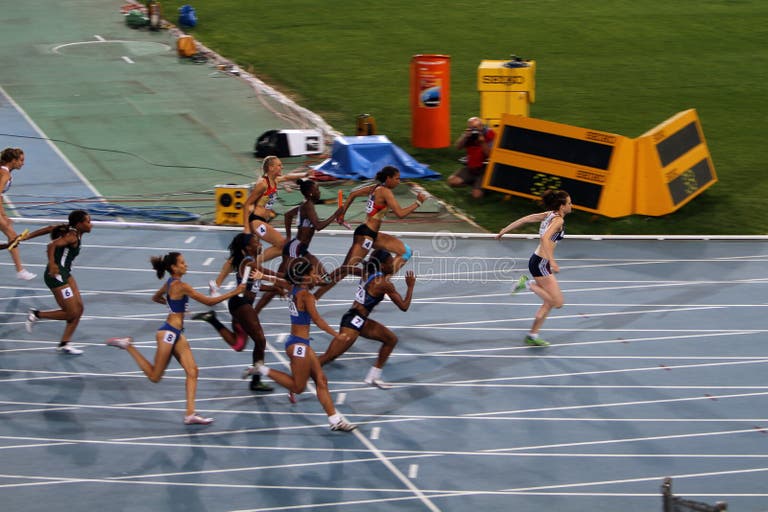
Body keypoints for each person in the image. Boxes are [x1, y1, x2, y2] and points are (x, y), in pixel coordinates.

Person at [105, 252, 246, 425]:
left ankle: (190, 414)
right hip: (168, 333)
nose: (186, 265)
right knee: (155, 377)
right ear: (174, 267)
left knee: (193, 371)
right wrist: (235, 291)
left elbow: (156, 297)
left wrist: (174, 307)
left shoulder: (169, 283)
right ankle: (128, 345)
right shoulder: (181, 286)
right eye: (182, 263)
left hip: (176, 333)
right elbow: (209, 302)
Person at [243, 257, 356, 432]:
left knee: (321, 380)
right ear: (304, 277)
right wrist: (337, 335)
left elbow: (280, 280)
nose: (317, 275)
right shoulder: (306, 296)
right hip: (299, 347)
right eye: (313, 273)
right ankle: (261, 369)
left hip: (300, 344)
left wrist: (262, 275)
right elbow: (317, 320)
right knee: (298, 387)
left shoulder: (293, 288)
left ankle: (335, 420)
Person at [193, 233, 287, 392]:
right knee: (260, 340)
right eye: (256, 242)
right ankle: (256, 379)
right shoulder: (249, 262)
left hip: (239, 305)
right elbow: (270, 275)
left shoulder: (249, 262)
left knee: (239, 344)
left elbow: (255, 286)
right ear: (247, 248)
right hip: (242, 305)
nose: (260, 244)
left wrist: (274, 289)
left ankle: (212, 319)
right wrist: (288, 277)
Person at [315, 166, 426, 299]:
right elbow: (400, 214)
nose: (399, 181)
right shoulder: (385, 191)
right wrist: (418, 203)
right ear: (388, 178)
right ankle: (316, 294)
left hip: (372, 234)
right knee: (346, 269)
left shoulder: (375, 188)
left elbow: (353, 194)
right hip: (366, 235)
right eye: (397, 179)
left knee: (405, 251)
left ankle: (381, 283)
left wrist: (342, 214)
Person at [320, 249, 415, 389]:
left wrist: (325, 280)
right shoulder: (383, 284)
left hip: (359, 319)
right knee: (328, 357)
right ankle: (297, 379)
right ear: (382, 265)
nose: (392, 266)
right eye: (390, 263)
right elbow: (404, 306)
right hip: (352, 323)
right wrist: (410, 286)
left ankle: (373, 376)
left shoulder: (367, 273)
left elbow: (344, 268)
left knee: (391, 339)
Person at [495, 189, 573, 346]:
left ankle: (532, 335)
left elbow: (525, 219)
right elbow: (545, 238)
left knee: (548, 303)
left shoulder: (549, 215)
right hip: (541, 264)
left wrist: (504, 230)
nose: (572, 205)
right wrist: (552, 261)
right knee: (557, 303)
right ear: (562, 206)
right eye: (569, 203)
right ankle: (527, 284)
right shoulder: (558, 221)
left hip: (537, 261)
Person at [252, 178, 341, 314]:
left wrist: (288, 237)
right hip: (294, 249)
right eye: (317, 189)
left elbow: (288, 215)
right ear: (310, 193)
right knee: (281, 282)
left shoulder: (305, 205)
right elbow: (318, 226)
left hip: (300, 249)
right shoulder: (308, 206)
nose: (319, 192)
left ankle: (302, 291)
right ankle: (257, 307)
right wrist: (335, 215)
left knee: (326, 279)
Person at [25, 210, 93, 354]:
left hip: (65, 274)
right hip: (56, 276)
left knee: (79, 309)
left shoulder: (69, 230)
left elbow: (49, 229)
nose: (91, 224)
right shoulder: (71, 236)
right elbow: (51, 246)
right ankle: (36, 314)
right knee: (70, 313)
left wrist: (27, 236)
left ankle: (64, 344)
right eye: (88, 222)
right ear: (79, 224)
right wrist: (52, 264)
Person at [241, 155, 307, 264]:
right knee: (282, 244)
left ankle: (250, 266)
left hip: (263, 221)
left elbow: (287, 177)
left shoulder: (275, 180)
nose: (282, 167)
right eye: (279, 165)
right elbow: (247, 204)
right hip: (256, 222)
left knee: (252, 251)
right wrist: (246, 229)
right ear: (271, 168)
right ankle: (252, 264)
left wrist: (305, 174)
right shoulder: (263, 184)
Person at [0, 147, 36, 280]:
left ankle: (20, 270)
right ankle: (20, 270)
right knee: (12, 236)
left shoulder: (4, 172)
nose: (23, 163)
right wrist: (3, 215)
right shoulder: (5, 174)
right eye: (21, 160)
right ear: (13, 160)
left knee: (12, 236)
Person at [447, 117, 496, 199]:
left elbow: (491, 155)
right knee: (452, 182)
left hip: (485, 169)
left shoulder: (490, 134)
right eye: (471, 128)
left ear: (482, 126)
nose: (474, 131)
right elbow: (458, 147)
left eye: (476, 128)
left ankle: (487, 187)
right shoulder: (469, 134)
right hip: (472, 167)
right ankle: (474, 183)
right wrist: (465, 137)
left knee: (476, 196)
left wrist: (482, 142)